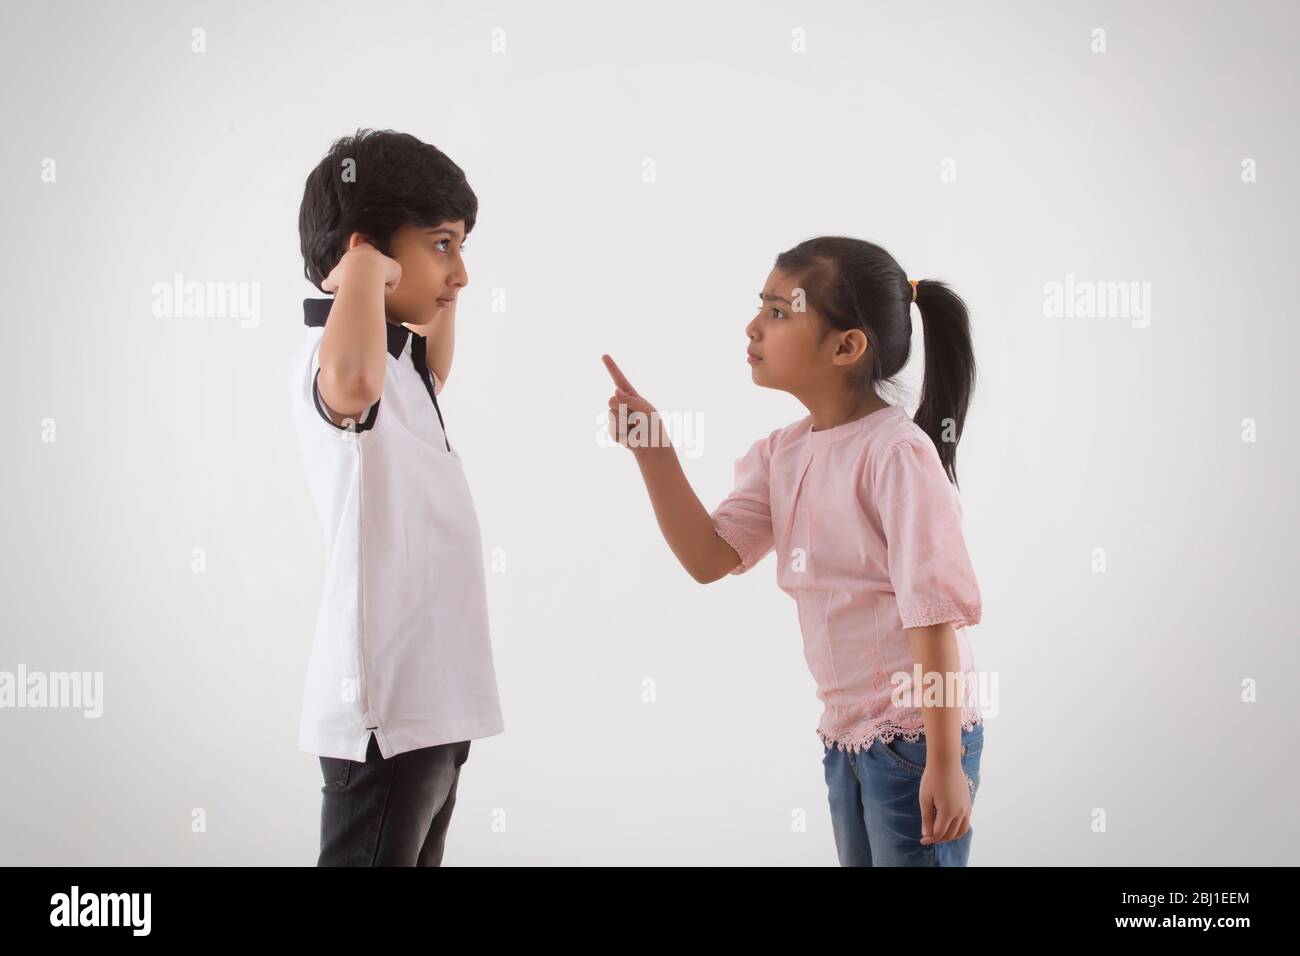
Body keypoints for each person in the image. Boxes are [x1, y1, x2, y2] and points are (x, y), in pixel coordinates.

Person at [603, 236, 985, 866]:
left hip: (917, 735)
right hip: (845, 734)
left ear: (846, 346)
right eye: (762, 305)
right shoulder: (785, 452)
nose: (753, 325)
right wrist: (654, 451)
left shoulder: (897, 455)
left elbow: (934, 615)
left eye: (779, 312)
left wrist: (944, 762)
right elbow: (709, 558)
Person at [290, 129, 504, 866]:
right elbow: (350, 383)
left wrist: (435, 280)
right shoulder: (343, 364)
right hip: (384, 711)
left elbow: (434, 358)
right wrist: (357, 268)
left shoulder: (402, 365)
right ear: (366, 253)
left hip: (435, 703)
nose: (462, 272)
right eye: (442, 243)